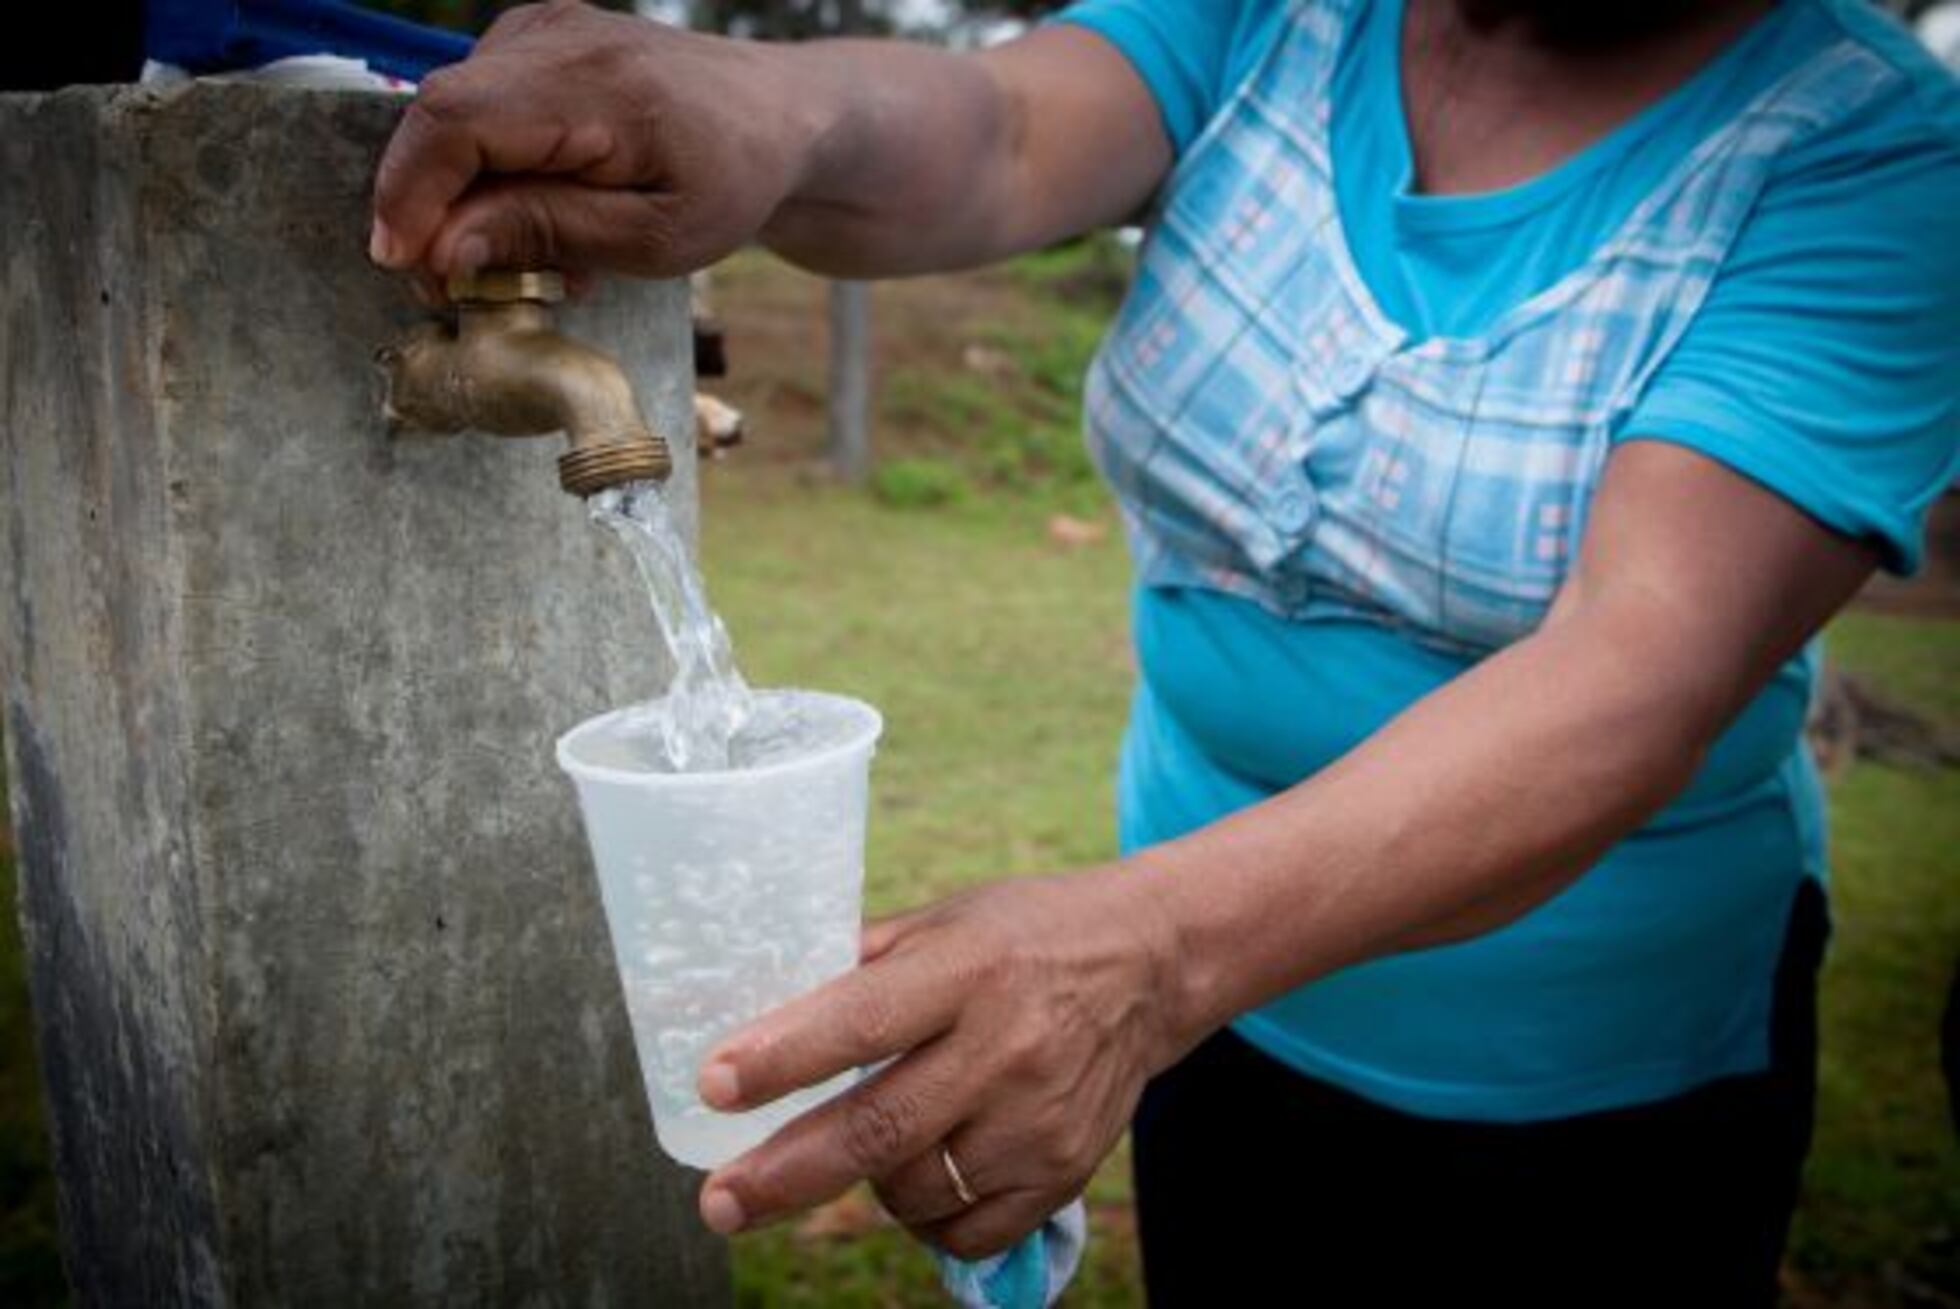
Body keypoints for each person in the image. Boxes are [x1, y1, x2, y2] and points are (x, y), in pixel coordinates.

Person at [370, 1, 1960, 1302]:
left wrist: (1140, 956)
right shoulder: (1285, 19)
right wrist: (744, 105)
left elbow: (1639, 669)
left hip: (1597, 1081)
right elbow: (990, 133)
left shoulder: (1867, 146)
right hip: (1221, 1017)